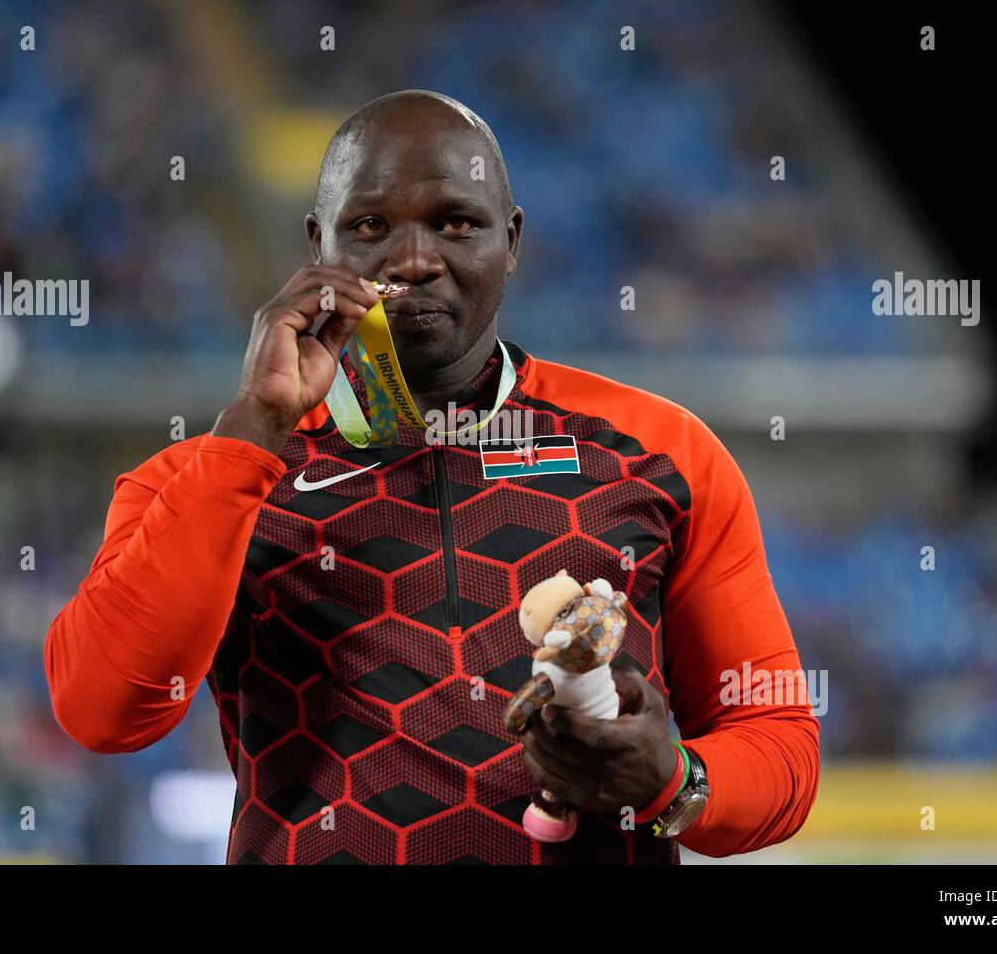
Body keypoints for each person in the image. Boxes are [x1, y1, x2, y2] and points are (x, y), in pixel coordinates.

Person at [44, 89, 819, 864]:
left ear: (510, 240)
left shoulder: (660, 451)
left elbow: (780, 744)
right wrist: (253, 429)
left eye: (456, 222)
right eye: (370, 226)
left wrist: (673, 783)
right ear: (320, 245)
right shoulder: (203, 476)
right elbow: (103, 712)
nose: (414, 261)